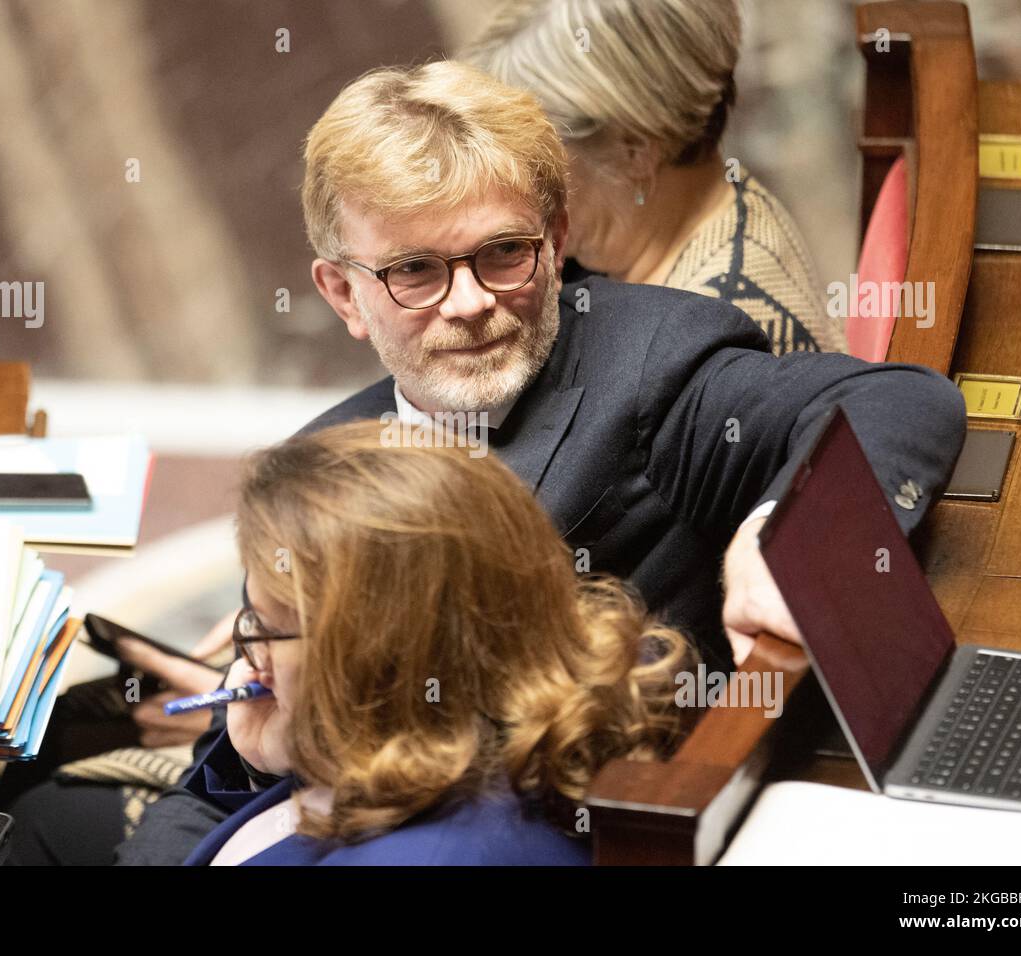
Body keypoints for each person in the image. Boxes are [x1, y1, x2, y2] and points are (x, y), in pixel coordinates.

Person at [113, 59, 966, 865]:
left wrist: (784, 531)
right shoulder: (320, 459)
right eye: (415, 270)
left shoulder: (651, 368)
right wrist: (261, 736)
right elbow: (233, 768)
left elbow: (903, 401)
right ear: (344, 294)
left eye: (503, 253)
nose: (472, 303)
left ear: (556, 239)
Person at [186, 420, 694, 865]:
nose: (252, 659)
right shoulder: (485, 722)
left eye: (269, 628)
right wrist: (275, 761)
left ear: (377, 650)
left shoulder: (432, 854)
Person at [462, 0, 846, 355]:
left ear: (634, 151)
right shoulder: (710, 209)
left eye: (539, 157)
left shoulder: (719, 330)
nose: (523, 183)